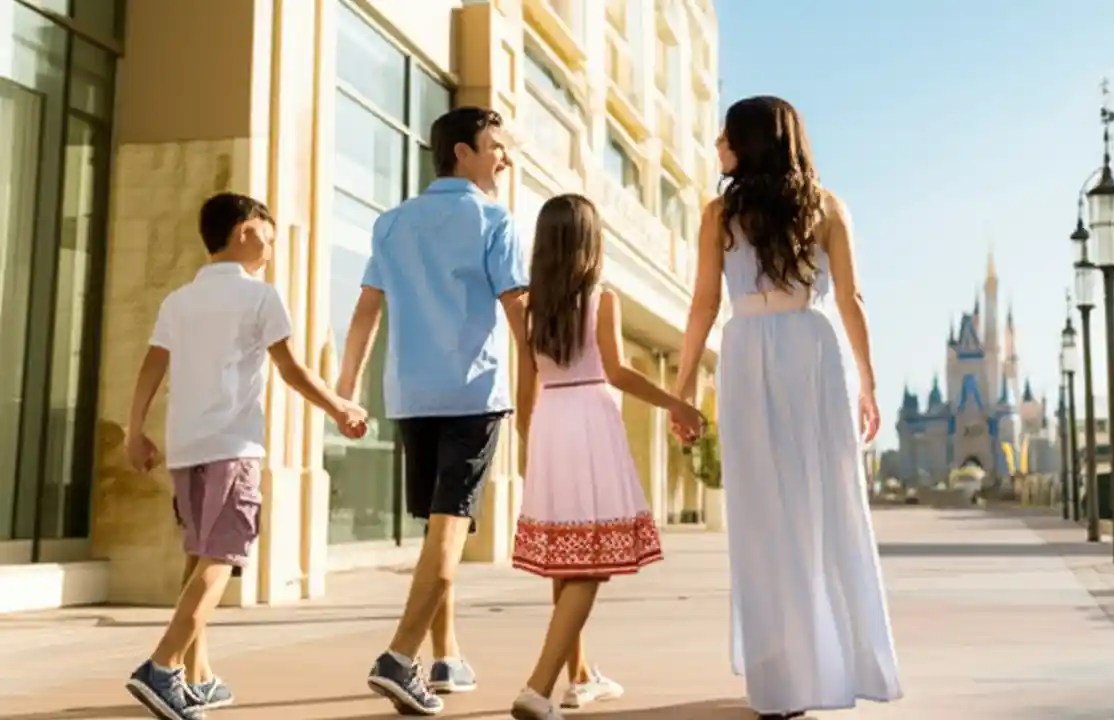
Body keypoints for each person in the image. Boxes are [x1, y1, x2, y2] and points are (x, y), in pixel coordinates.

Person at [336, 108, 606, 716]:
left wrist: (345, 389)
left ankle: (446, 655)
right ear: (463, 152)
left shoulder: (392, 222)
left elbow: (364, 313)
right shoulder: (493, 220)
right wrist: (539, 404)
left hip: (409, 395)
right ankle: (399, 657)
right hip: (470, 398)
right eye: (496, 147)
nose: (503, 158)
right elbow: (520, 317)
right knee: (448, 532)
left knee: (441, 529)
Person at [671, 96, 904, 719]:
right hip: (813, 348)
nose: (718, 141)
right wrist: (868, 381)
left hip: (745, 350)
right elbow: (850, 298)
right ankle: (826, 665)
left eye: (727, 133)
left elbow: (701, 304)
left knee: (761, 514)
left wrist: (686, 383)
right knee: (822, 506)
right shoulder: (826, 206)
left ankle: (779, 680)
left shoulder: (721, 213)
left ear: (750, 142)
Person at [123, 193, 368, 720]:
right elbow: (293, 371)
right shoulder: (260, 297)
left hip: (186, 450)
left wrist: (134, 431)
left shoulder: (178, 301)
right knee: (222, 557)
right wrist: (340, 406)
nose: (273, 248)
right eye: (269, 235)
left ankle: (198, 675)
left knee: (198, 557)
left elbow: (150, 367)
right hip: (232, 447)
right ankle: (162, 666)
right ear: (243, 232)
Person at [508, 194, 705, 720]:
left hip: (550, 422)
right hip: (590, 419)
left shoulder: (529, 309)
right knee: (590, 565)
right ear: (589, 243)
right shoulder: (601, 298)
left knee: (564, 562)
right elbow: (617, 372)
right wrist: (677, 403)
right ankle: (537, 687)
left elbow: (525, 388)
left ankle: (580, 676)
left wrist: (531, 447)